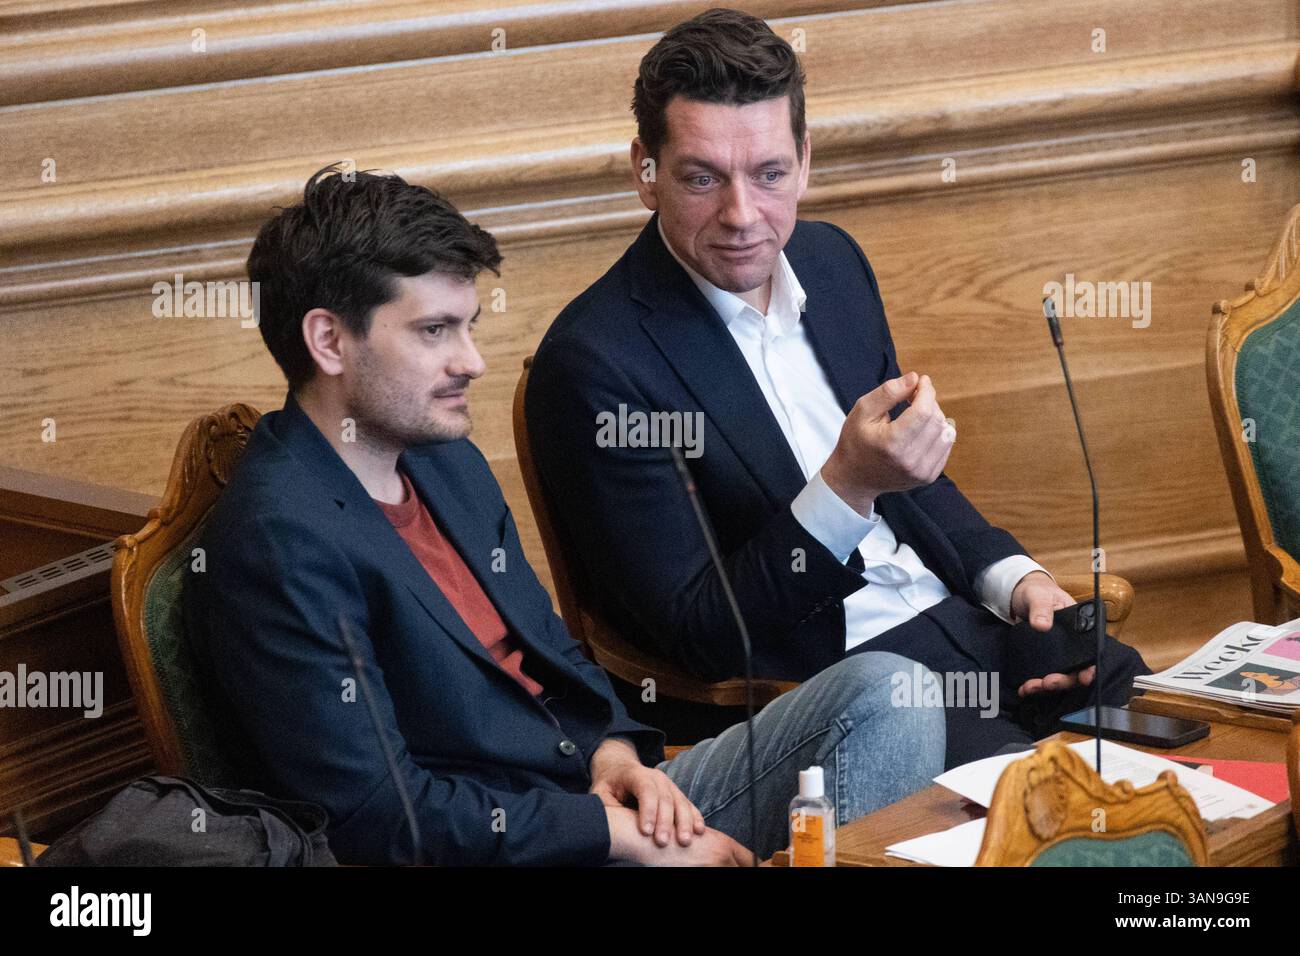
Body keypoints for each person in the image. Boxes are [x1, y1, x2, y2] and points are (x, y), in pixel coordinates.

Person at [181, 164, 945, 866]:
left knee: (884, 692)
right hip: (495, 849)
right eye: (434, 331)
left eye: (468, 325)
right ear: (328, 341)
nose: (471, 361)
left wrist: (615, 759)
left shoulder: (443, 461)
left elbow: (557, 655)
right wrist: (612, 836)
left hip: (582, 798)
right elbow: (381, 822)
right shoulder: (278, 541)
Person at [524, 8, 1151, 769]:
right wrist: (846, 489)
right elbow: (699, 633)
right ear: (644, 172)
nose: (743, 215)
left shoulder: (830, 262)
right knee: (1058, 810)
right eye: (701, 178)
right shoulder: (596, 364)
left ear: (805, 161)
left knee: (1183, 745)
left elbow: (914, 482)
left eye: (770, 174)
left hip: (968, 625)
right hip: (831, 689)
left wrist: (1017, 582)